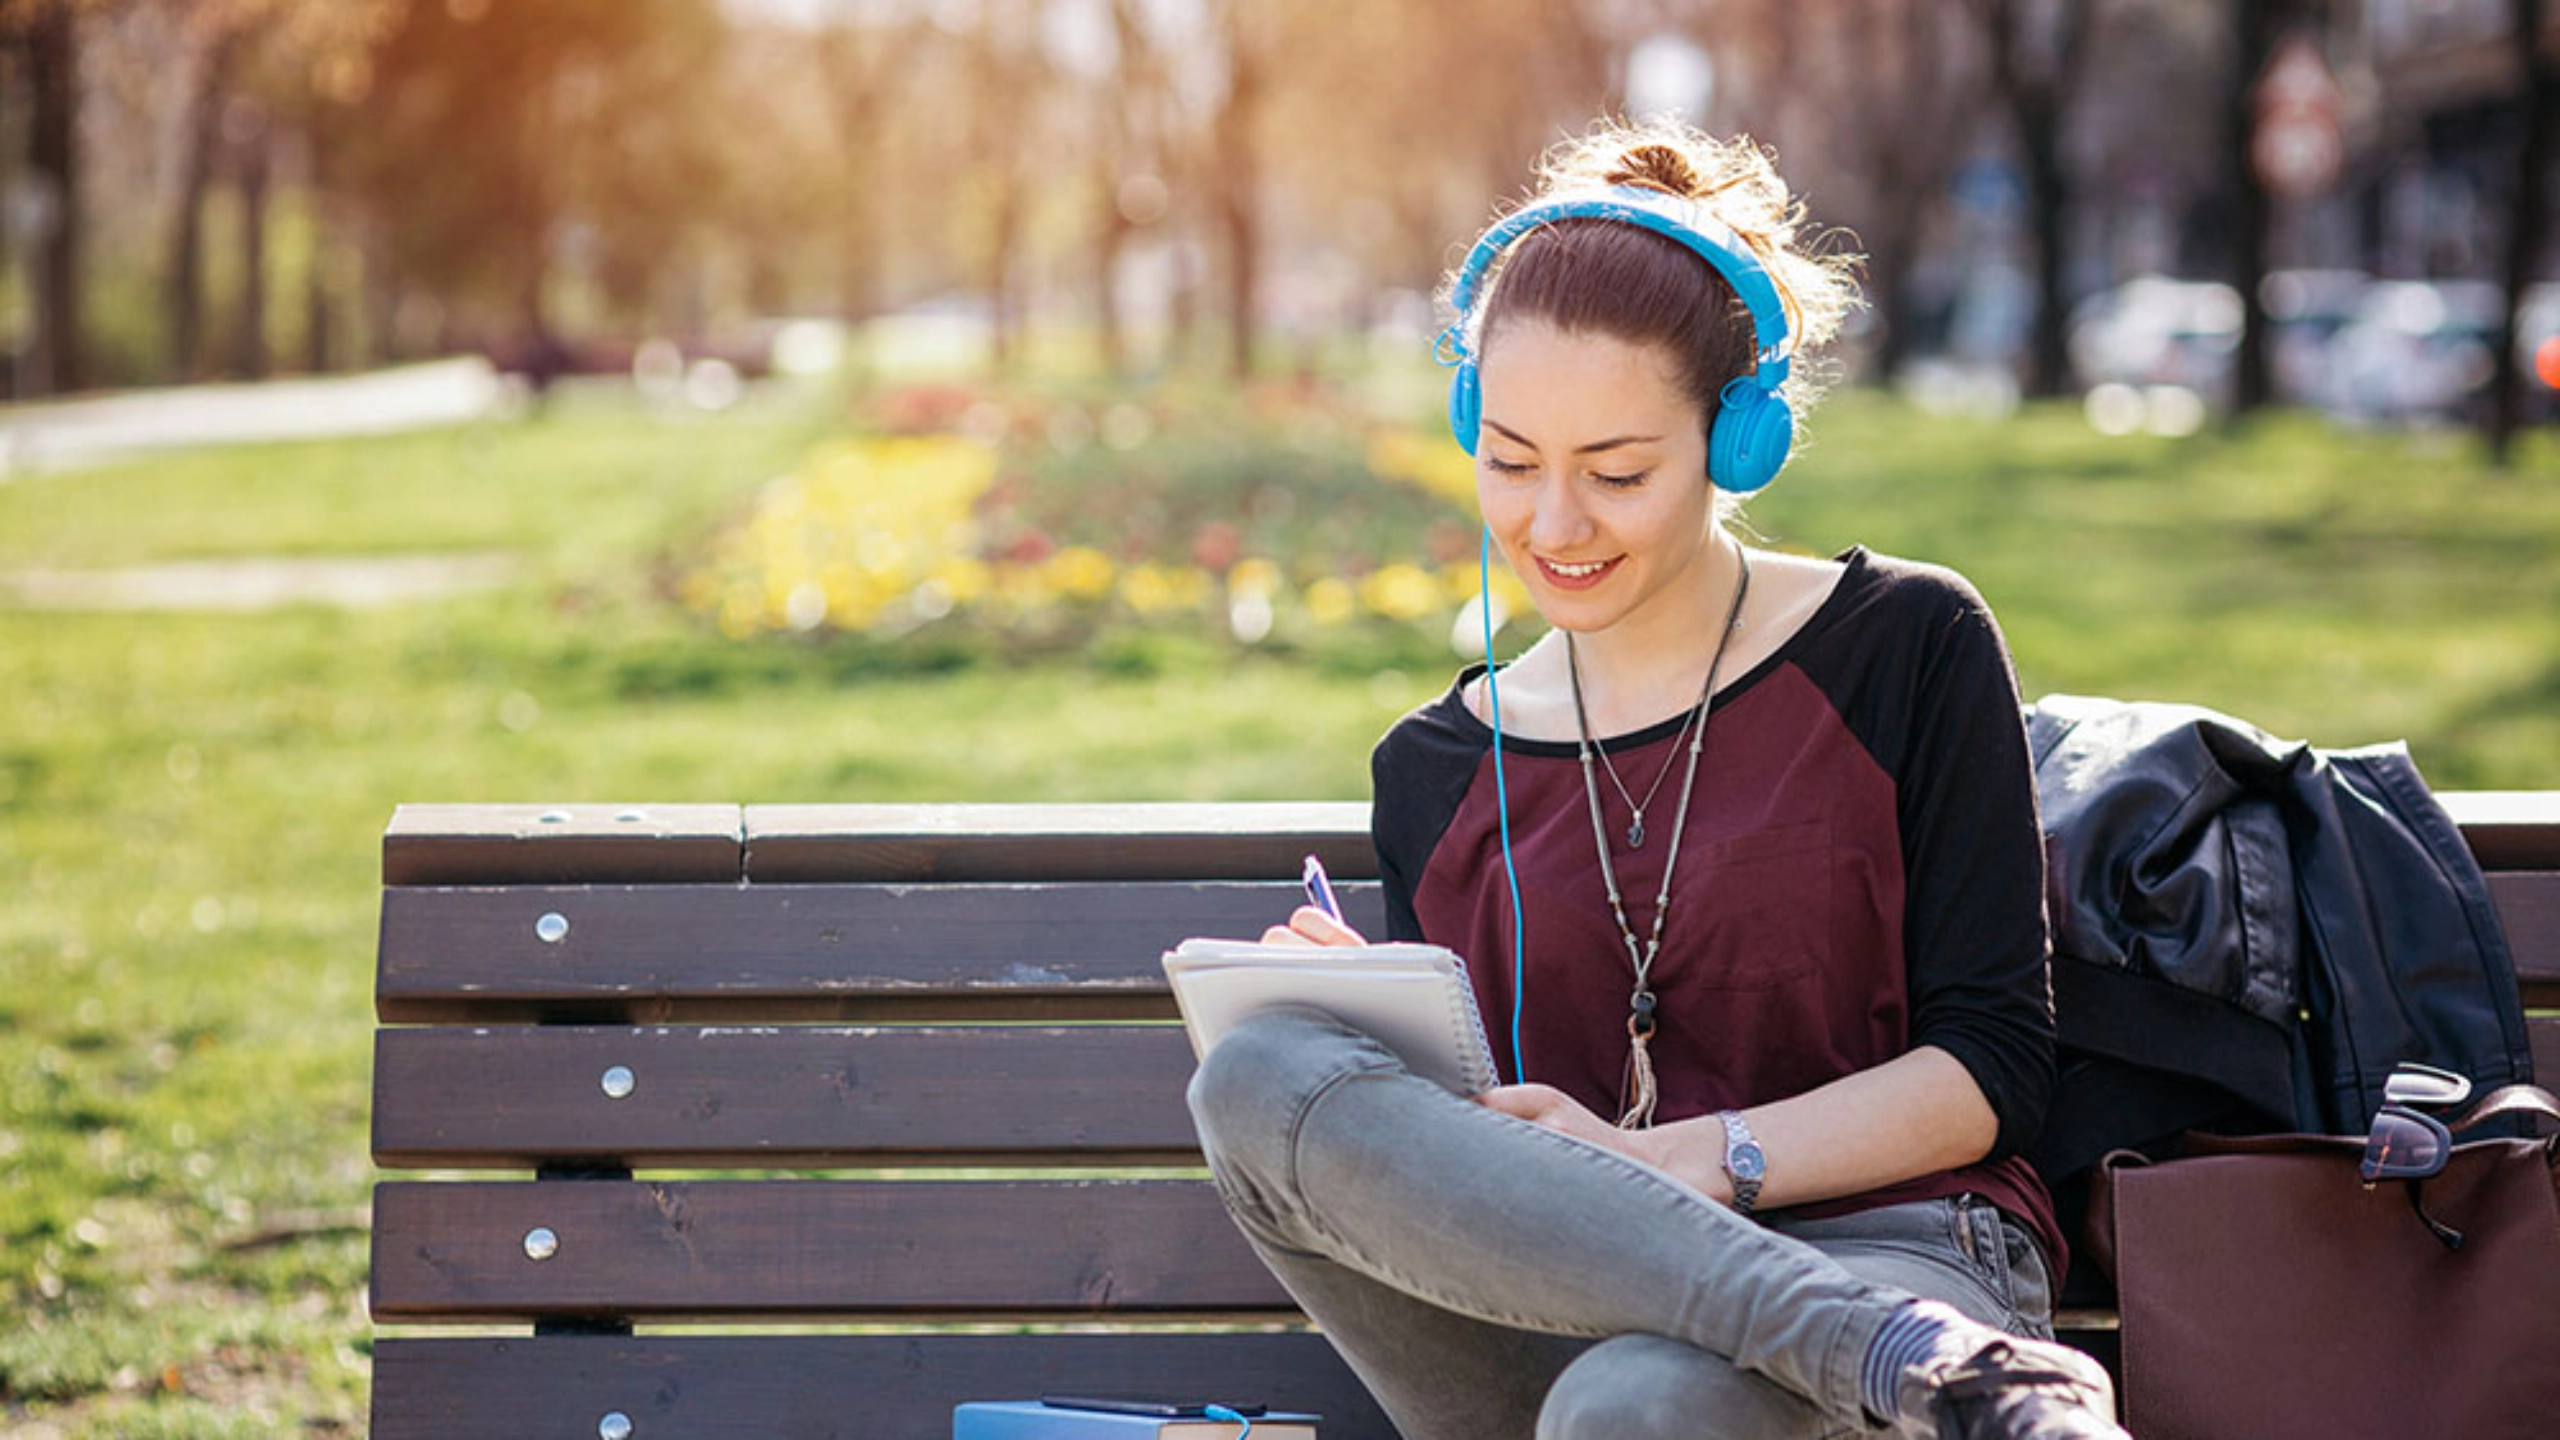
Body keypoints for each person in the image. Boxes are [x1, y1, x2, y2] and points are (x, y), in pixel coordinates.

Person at [1184, 121, 2130, 1440]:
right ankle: (1898, 1362)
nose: (1552, 526)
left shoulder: (1904, 646)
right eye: (1509, 462)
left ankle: (1900, 1342)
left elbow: (1993, 1068)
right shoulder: (1433, 768)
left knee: (1639, 1408)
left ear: (1736, 441)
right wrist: (1385, 1043)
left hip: (1898, 1245)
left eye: (1616, 474)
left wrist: (1701, 1158)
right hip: (1568, 1314)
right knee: (1255, 1079)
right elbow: (1507, 1174)